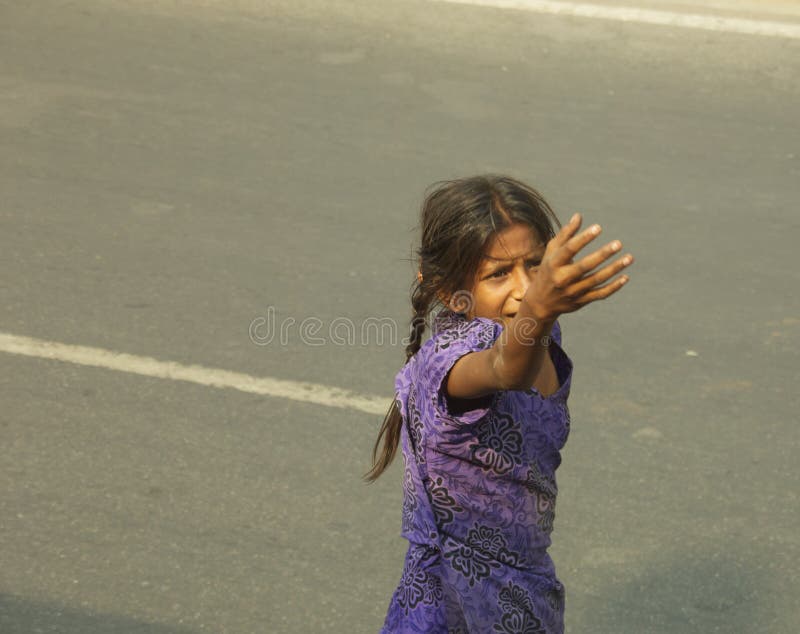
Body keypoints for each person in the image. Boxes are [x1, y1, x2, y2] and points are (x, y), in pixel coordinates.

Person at [363, 174, 634, 633]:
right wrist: (541, 312)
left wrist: (541, 318)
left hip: (526, 593)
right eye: (498, 274)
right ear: (450, 293)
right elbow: (505, 369)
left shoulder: (541, 334)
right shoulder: (450, 359)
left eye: (534, 265)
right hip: (450, 608)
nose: (526, 288)